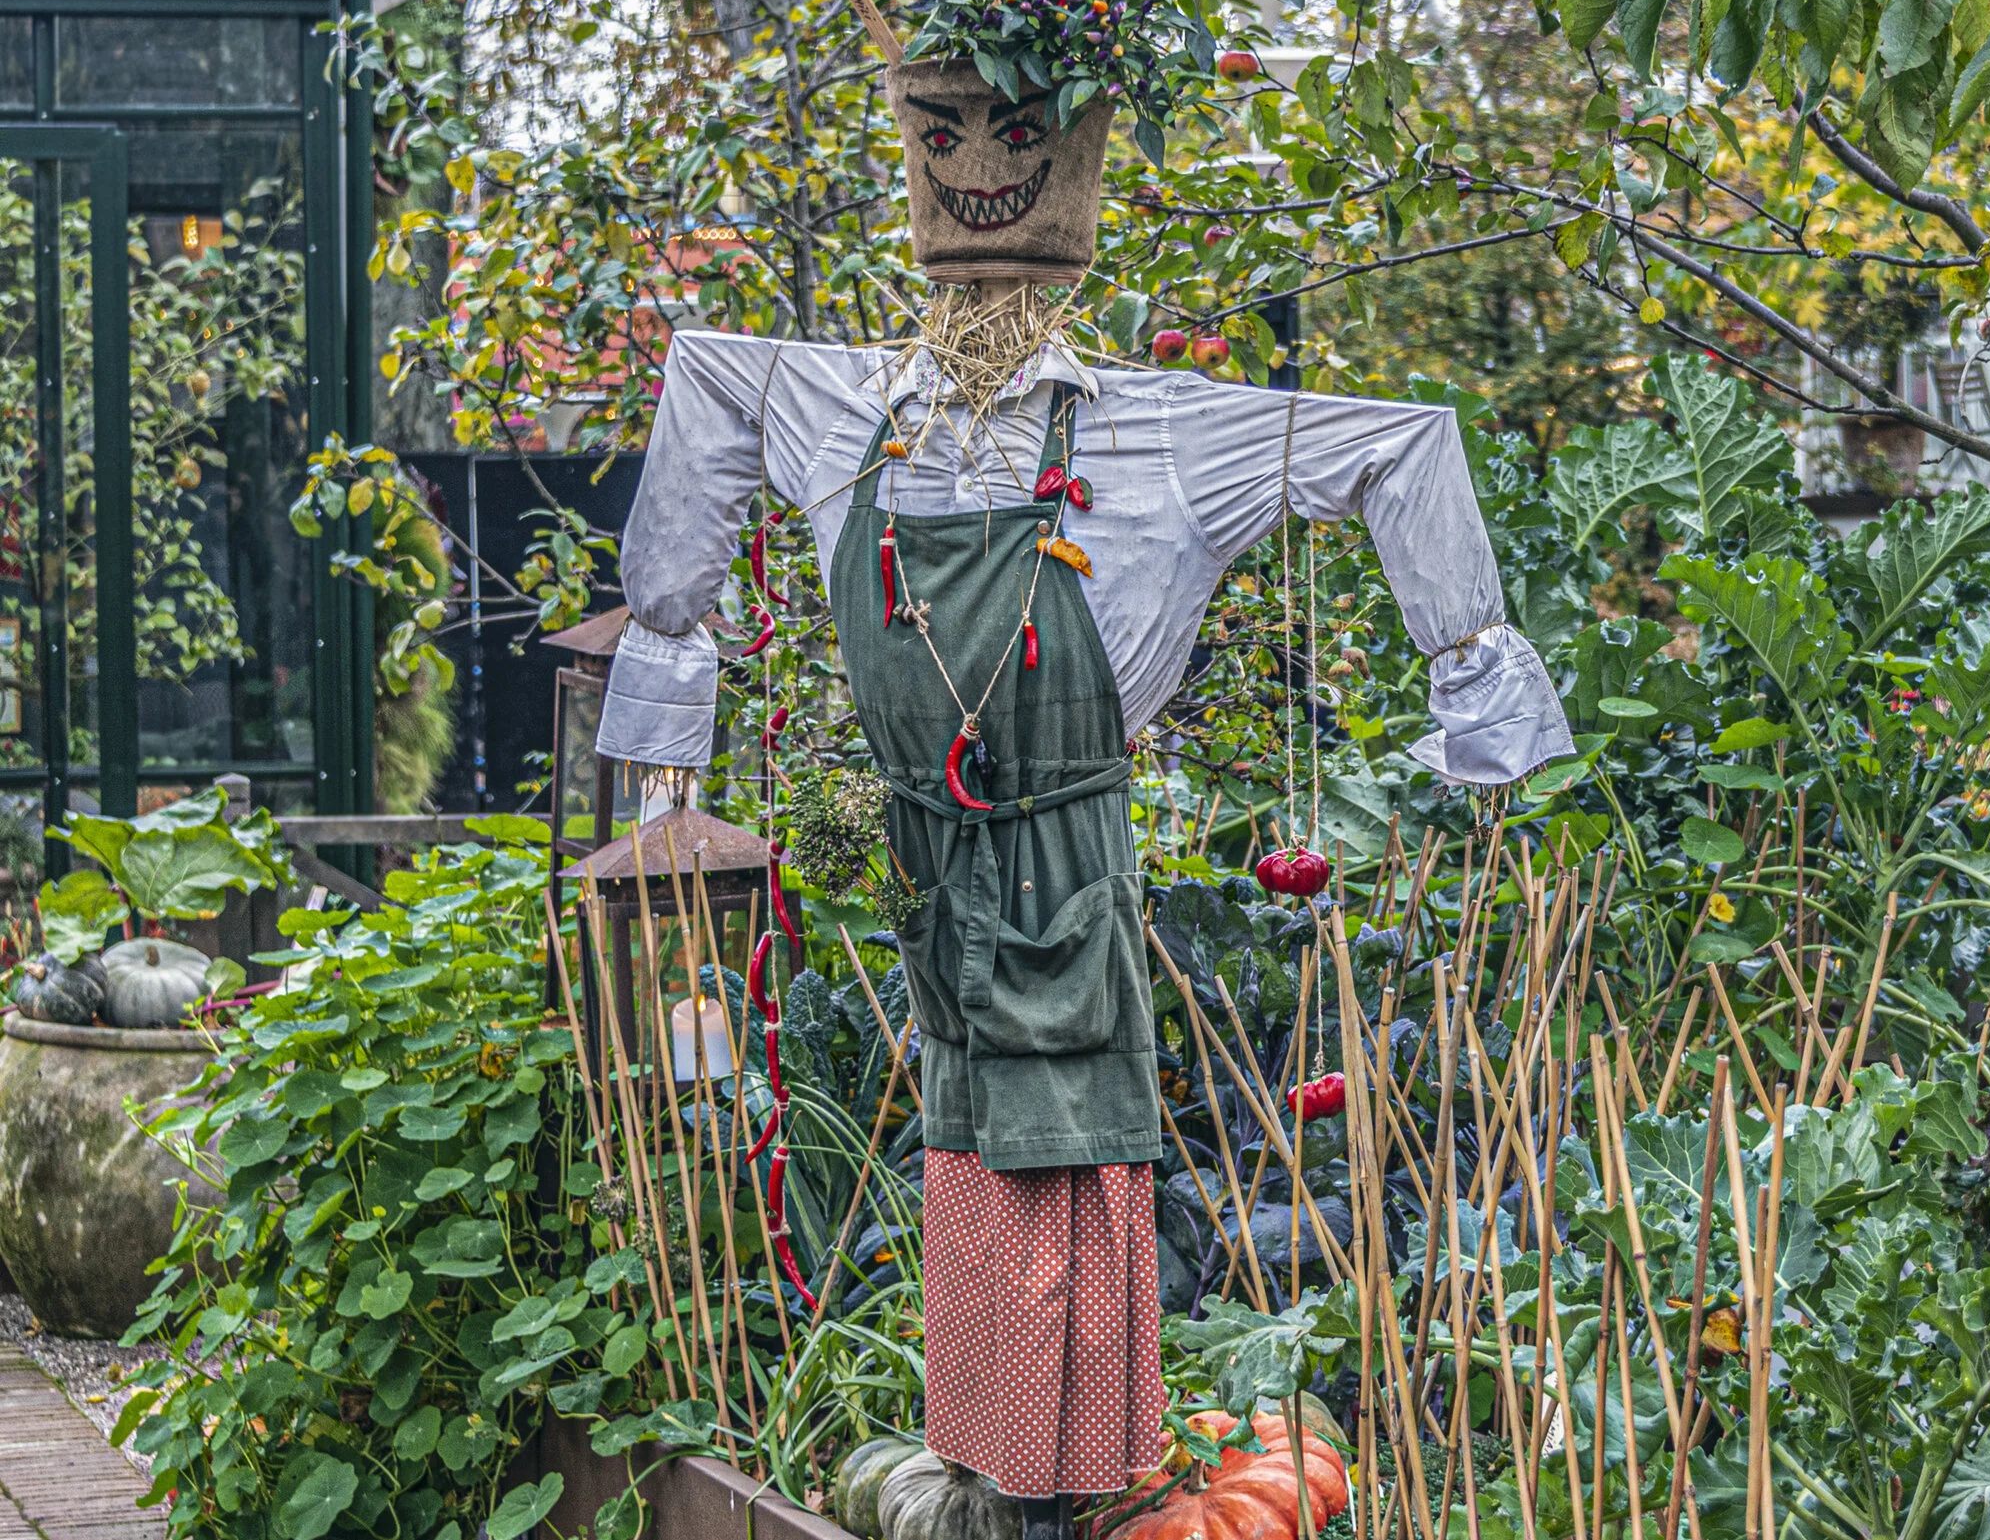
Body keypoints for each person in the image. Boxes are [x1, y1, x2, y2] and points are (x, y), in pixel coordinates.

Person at [595, 302, 1570, 1538]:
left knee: (1065, 1147)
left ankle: (1055, 1484)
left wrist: (1474, 668)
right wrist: (671, 662)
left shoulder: (1152, 427)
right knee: (970, 1146)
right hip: (935, 860)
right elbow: (711, 381)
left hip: (1065, 855)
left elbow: (1402, 445)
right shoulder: (843, 408)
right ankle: (998, 1468)